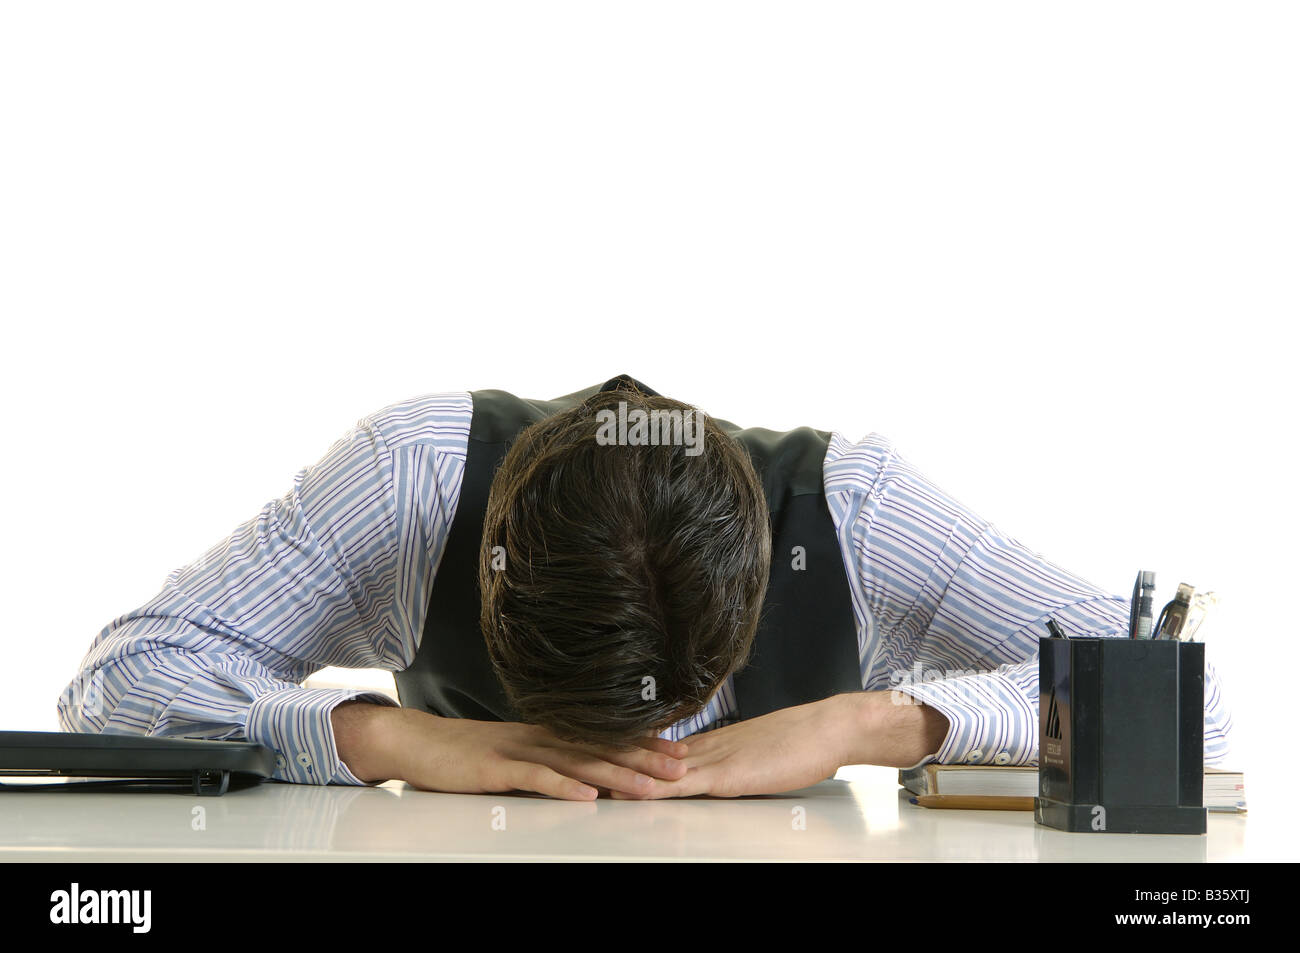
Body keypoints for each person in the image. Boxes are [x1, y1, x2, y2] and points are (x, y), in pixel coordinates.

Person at [58, 375, 1233, 800]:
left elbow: (1191, 701)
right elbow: (116, 683)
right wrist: (382, 736)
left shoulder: (860, 512)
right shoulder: (412, 476)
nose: (649, 747)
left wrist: (884, 720)